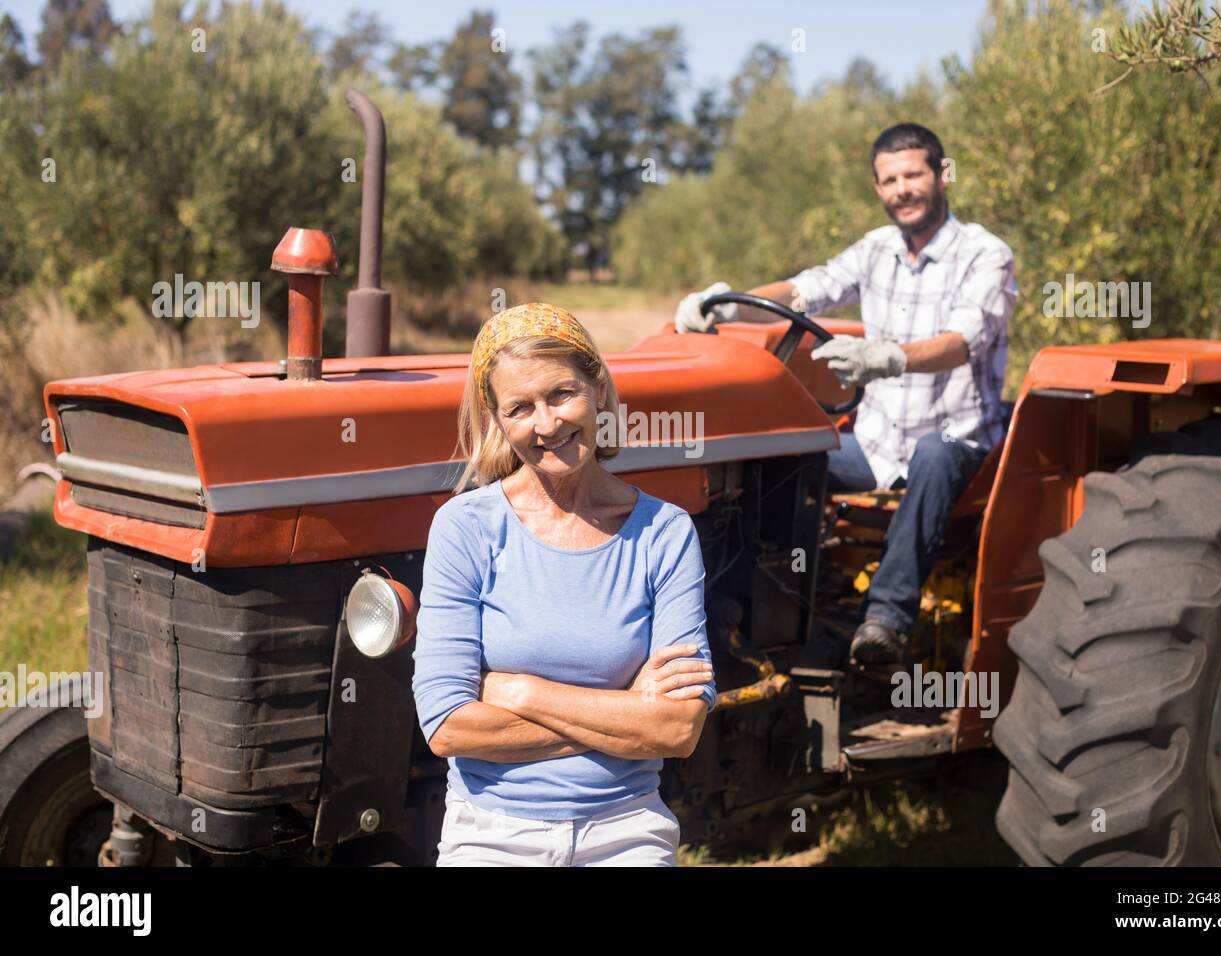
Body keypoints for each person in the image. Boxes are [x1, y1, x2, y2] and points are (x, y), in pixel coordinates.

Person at [674, 122, 1018, 669]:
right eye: (888, 180)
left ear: (942, 174)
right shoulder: (877, 249)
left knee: (933, 451)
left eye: (913, 174)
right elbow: (807, 289)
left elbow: (963, 342)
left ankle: (885, 619)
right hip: (878, 446)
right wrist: (727, 304)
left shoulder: (985, 254)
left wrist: (890, 357)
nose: (901, 189)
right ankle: (743, 612)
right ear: (878, 189)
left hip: (960, 443)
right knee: (783, 460)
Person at [412, 301, 718, 866]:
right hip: (491, 829)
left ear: (598, 388)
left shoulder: (665, 532)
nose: (547, 424)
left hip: (626, 826)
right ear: (497, 419)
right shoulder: (465, 528)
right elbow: (447, 726)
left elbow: (677, 729)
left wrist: (523, 692)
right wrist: (627, 712)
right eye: (520, 408)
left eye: (561, 394)